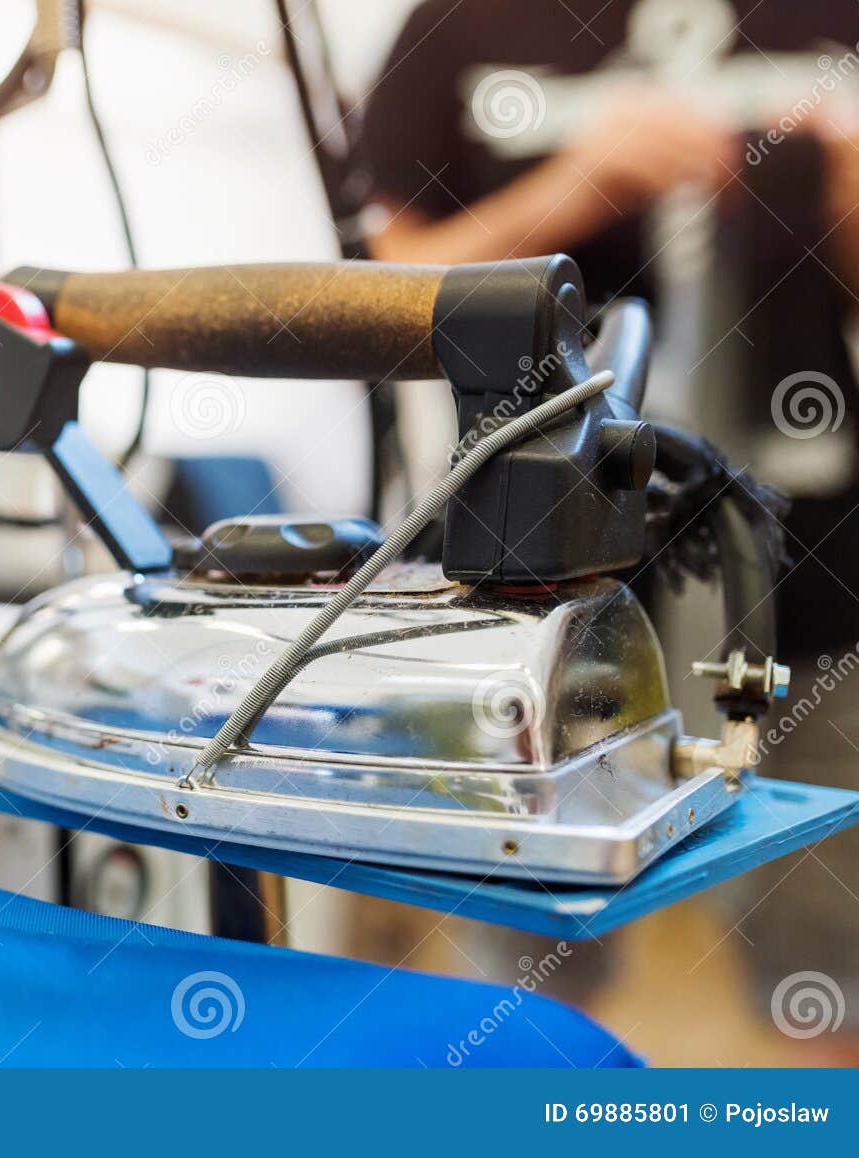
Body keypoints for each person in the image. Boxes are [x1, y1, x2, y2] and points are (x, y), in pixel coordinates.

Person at [359, 0, 859, 1055]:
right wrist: (583, 182)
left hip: (813, 566)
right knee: (531, 979)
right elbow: (378, 298)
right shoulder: (452, 25)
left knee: (826, 957)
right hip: (526, 578)